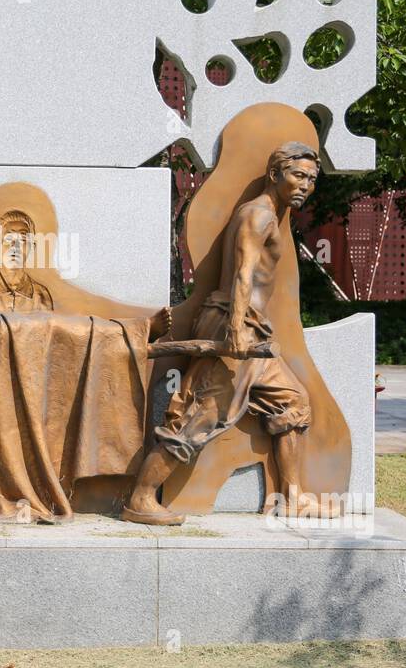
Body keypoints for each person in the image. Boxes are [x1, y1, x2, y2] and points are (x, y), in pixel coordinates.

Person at [122, 140, 338, 525]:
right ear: (275, 175)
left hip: (253, 332)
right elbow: (242, 272)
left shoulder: (275, 214)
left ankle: (293, 497)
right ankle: (140, 499)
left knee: (292, 402)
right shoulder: (257, 215)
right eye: (298, 175)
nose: (306, 185)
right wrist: (236, 328)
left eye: (311, 179)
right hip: (233, 327)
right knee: (196, 417)